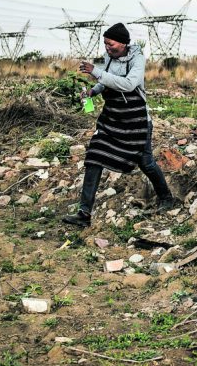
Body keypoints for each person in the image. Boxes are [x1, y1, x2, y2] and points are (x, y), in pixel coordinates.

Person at [63, 23, 174, 227]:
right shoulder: (109, 58)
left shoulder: (137, 59)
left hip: (136, 120)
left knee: (146, 162)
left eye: (111, 44)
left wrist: (96, 71)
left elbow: (129, 84)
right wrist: (93, 91)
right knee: (94, 156)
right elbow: (106, 80)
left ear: (123, 43)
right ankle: (84, 213)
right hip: (113, 118)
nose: (107, 48)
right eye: (105, 44)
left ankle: (166, 197)